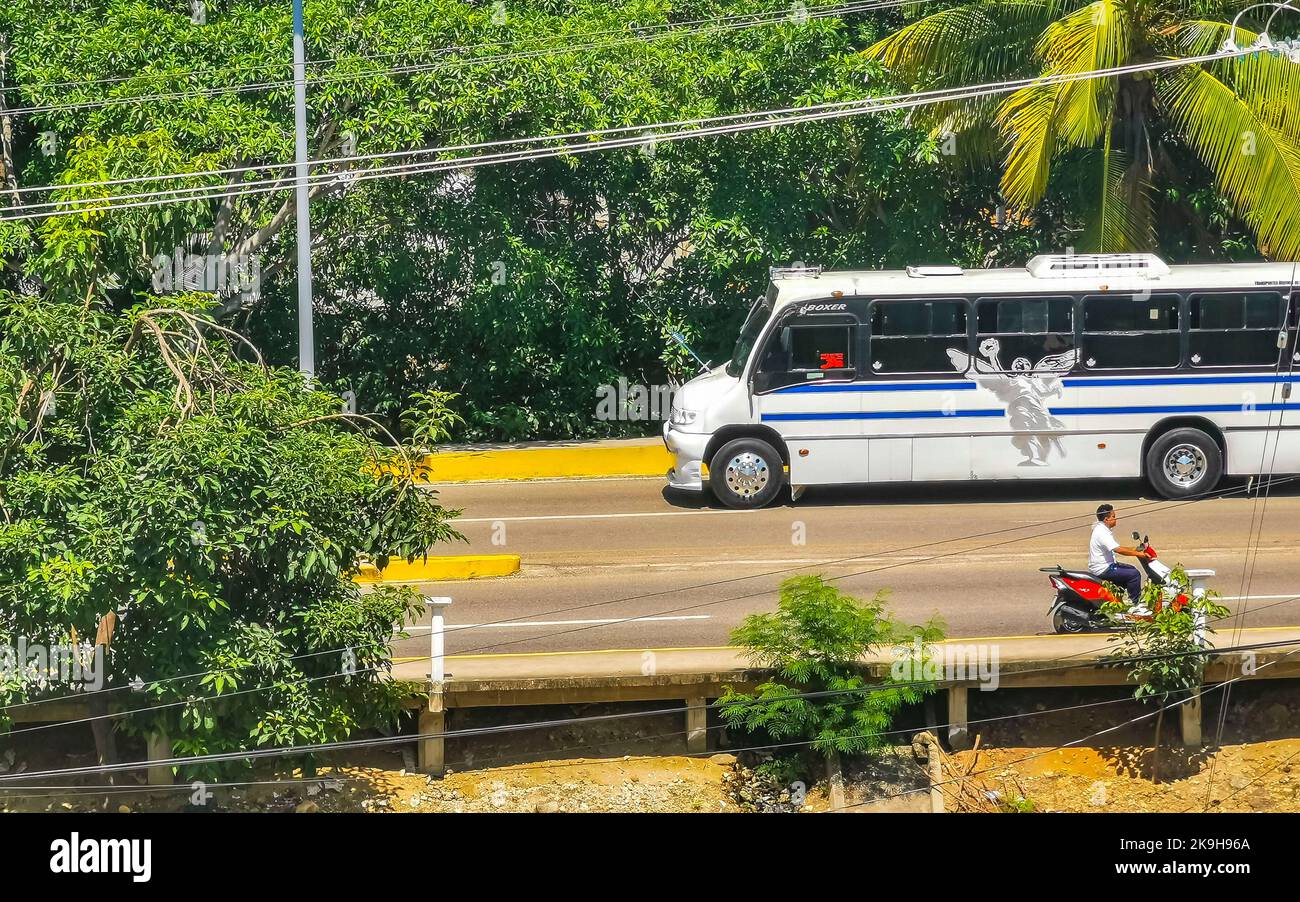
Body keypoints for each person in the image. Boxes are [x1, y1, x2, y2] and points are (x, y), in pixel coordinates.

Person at [1088, 504, 1150, 602]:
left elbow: (1118, 547)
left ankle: (1117, 601)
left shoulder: (1103, 529)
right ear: (1106, 519)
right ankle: (1135, 603)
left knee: (1131, 569)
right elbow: (1118, 549)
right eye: (1113, 517)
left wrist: (1136, 549)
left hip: (1107, 565)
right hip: (1103, 569)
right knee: (1134, 574)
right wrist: (1140, 554)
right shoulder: (1102, 533)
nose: (1115, 519)